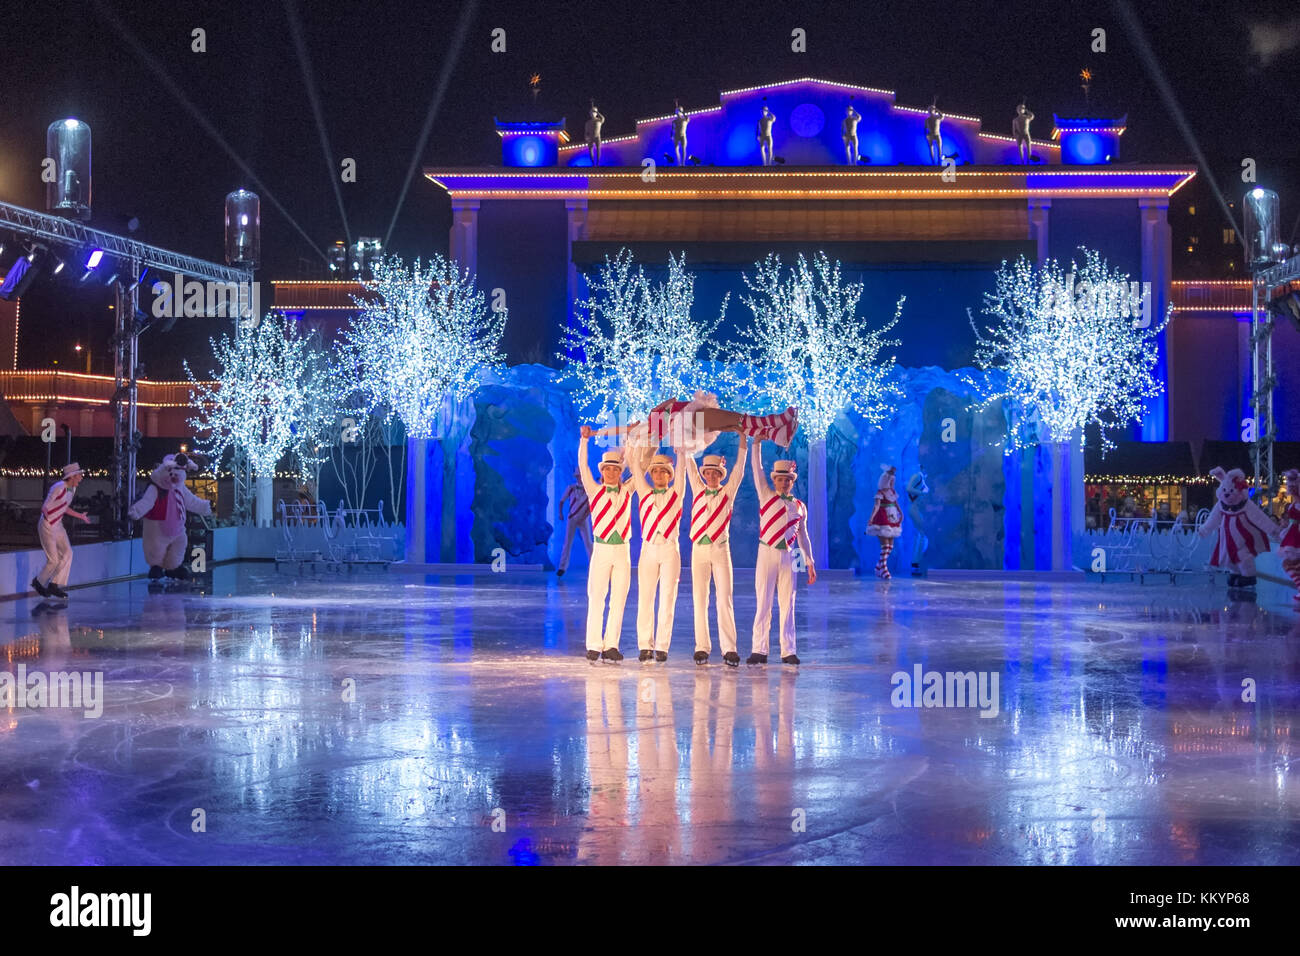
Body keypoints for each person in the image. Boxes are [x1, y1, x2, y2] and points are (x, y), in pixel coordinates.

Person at [748, 446, 815, 665]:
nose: (784, 483)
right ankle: (759, 649)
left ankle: (788, 650)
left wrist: (809, 561)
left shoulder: (799, 506)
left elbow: (803, 535)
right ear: (774, 481)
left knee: (789, 602)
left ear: (792, 482)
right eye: (780, 479)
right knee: (764, 602)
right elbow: (757, 469)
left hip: (791, 554)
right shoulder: (766, 495)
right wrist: (756, 444)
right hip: (767, 551)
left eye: (788, 480)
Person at [687, 436, 749, 666]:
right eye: (708, 473)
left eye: (716, 473)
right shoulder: (697, 489)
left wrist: (743, 442)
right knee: (700, 599)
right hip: (699, 550)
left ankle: (729, 648)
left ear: (721, 475)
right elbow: (689, 463)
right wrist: (685, 442)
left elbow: (739, 471)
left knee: (724, 598)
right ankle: (701, 647)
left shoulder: (727, 492)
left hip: (721, 549)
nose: (711, 477)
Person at [578, 427, 634, 661]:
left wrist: (631, 439)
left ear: (620, 472)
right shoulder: (595, 490)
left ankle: (612, 644)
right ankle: (593, 644)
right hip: (601, 549)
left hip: (622, 549)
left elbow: (640, 469)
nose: (611, 472)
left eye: (615, 469)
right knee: (597, 596)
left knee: (618, 599)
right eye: (607, 469)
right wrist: (584, 440)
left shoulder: (628, 490)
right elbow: (582, 466)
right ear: (602, 472)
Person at [633, 450, 686, 662]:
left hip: (669, 549)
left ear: (669, 475)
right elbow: (636, 469)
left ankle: (662, 646)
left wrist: (681, 453)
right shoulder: (644, 492)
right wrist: (635, 446)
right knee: (645, 598)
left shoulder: (677, 492)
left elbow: (682, 472)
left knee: (667, 599)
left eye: (662, 472)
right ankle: (645, 645)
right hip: (648, 549)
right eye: (654, 471)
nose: (657, 475)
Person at [32, 462, 90, 599]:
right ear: (72, 477)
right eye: (79, 475)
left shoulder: (72, 490)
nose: (81, 478)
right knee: (53, 560)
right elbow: (47, 502)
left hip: (58, 525)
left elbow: (64, 508)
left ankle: (54, 585)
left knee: (68, 553)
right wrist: (45, 510)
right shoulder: (58, 487)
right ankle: (38, 582)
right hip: (47, 525)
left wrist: (80, 516)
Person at [866, 465, 904, 579]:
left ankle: (879, 566)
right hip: (882, 517)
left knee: (890, 546)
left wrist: (900, 513)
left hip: (892, 517)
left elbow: (896, 503)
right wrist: (871, 518)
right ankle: (883, 568)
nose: (892, 482)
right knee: (885, 545)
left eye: (893, 480)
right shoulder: (880, 492)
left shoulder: (892, 492)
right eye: (890, 480)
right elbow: (876, 506)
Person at [557, 468, 592, 577]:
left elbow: (591, 507)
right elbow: (561, 501)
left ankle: (594, 565)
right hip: (572, 517)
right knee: (567, 542)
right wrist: (560, 514)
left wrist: (584, 516)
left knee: (588, 542)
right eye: (578, 476)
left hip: (583, 518)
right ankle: (562, 567)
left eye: (581, 475)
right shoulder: (571, 488)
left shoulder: (589, 490)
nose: (579, 478)